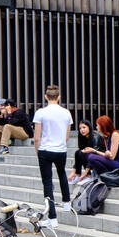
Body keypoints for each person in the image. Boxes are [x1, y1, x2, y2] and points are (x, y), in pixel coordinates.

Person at [32, 85, 74, 226]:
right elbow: (67, 135)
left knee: (47, 182)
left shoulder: (40, 112)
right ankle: (67, 202)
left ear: (46, 96)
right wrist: (60, 144)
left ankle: (52, 217)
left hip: (45, 149)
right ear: (59, 97)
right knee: (62, 174)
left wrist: (38, 152)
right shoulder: (66, 113)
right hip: (60, 149)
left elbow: (36, 137)